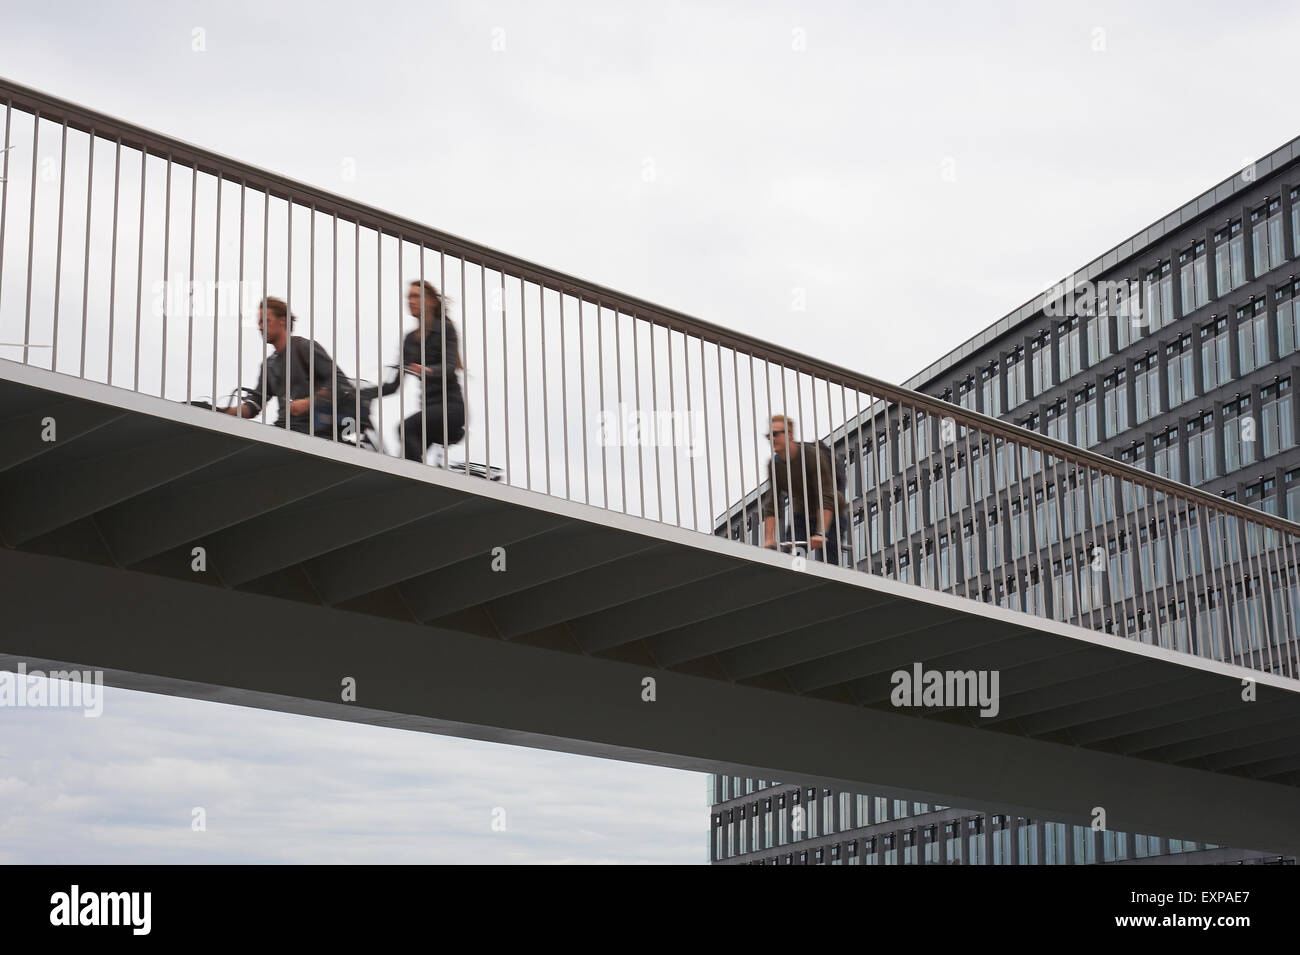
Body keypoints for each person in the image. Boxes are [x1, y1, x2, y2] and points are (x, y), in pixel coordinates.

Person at [364, 280, 465, 464]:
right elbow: (393, 386)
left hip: (451, 409)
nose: (410, 301)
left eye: (416, 296)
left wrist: (429, 370)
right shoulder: (410, 340)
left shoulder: (445, 330)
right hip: (429, 410)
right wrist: (358, 392)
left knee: (405, 428)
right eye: (409, 297)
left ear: (431, 302)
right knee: (404, 460)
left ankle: (420, 481)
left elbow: (450, 366)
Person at [220, 296, 348, 437]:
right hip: (285, 430)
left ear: (282, 321)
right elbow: (253, 406)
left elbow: (341, 382)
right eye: (259, 323)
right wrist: (217, 410)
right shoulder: (269, 365)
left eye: (265, 321)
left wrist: (307, 403)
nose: (260, 327)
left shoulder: (304, 347)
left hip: (317, 431)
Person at [759, 414, 845, 564]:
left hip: (830, 513)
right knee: (792, 559)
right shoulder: (775, 465)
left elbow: (826, 495)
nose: (772, 439)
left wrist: (820, 532)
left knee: (829, 561)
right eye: (769, 436)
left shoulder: (811, 456)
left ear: (789, 435)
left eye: (775, 434)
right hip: (802, 514)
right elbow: (773, 502)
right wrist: (768, 539)